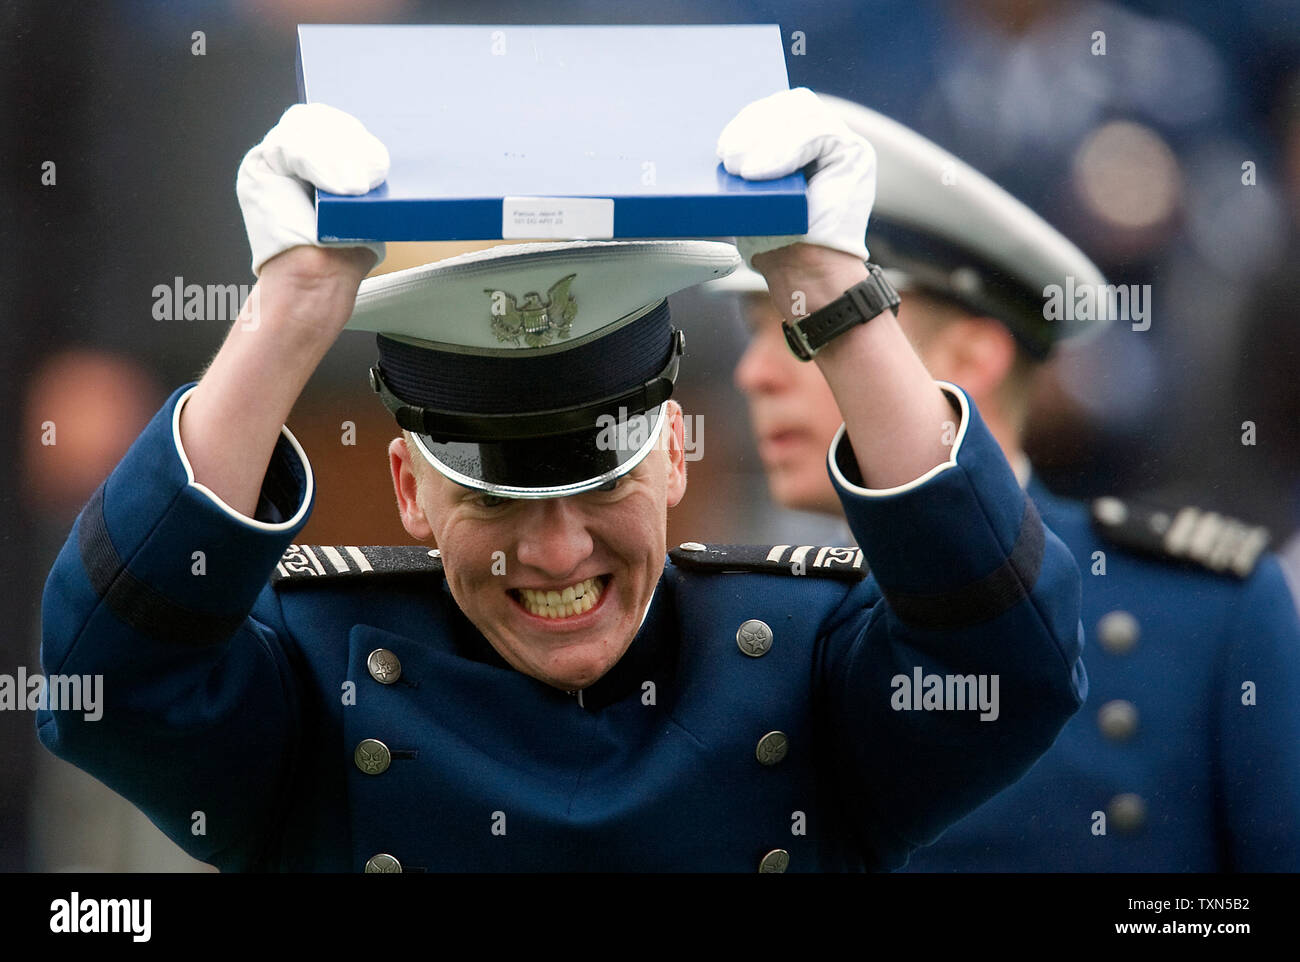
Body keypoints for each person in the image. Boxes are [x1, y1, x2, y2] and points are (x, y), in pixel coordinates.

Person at [36, 91, 1085, 872]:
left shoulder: (805, 671)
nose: (556, 550)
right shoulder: (317, 686)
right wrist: (287, 313)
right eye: (492, 498)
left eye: (604, 484)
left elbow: (1010, 661)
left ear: (676, 453)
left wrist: (828, 281)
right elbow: (110, 683)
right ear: (409, 489)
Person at [724, 95, 1300, 871]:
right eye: (754, 334)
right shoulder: (738, 618)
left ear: (969, 361)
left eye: (804, 330)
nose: (752, 374)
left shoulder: (1207, 608)